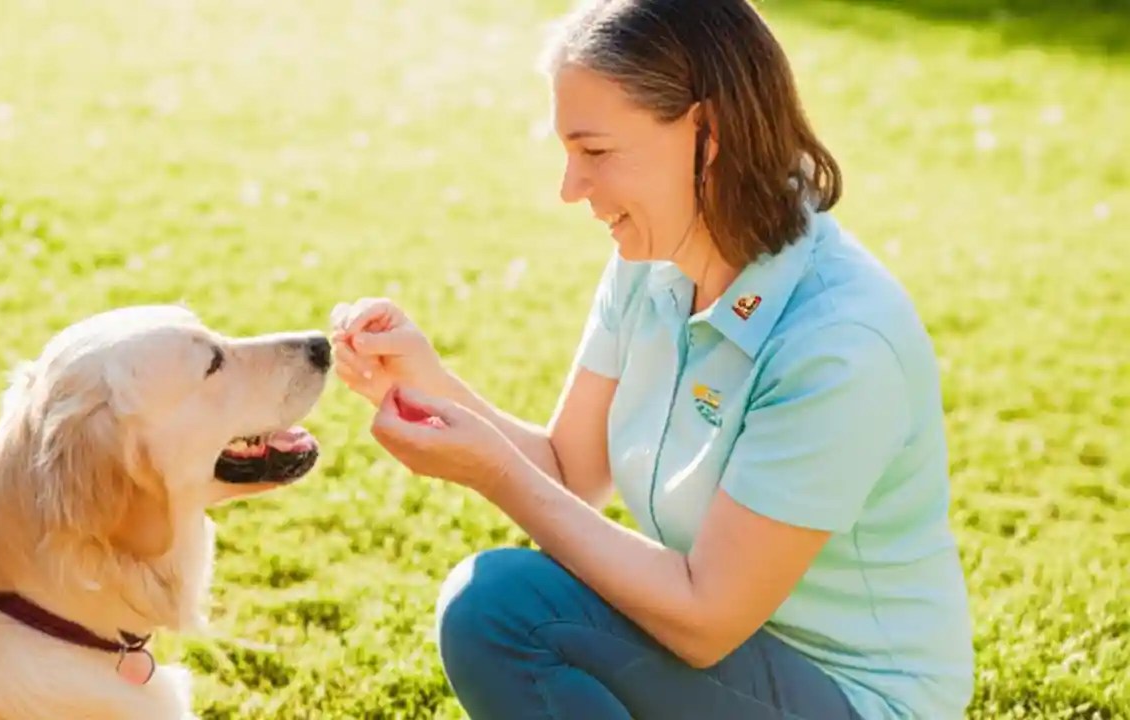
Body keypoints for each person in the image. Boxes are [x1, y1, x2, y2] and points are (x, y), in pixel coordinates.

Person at [330, 0, 975, 717]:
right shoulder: (653, 260)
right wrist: (425, 379)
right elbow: (572, 473)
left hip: (853, 699)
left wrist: (494, 473)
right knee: (499, 609)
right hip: (733, 666)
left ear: (710, 133)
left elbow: (705, 619)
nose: (570, 188)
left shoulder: (840, 343)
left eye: (596, 152)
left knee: (503, 610)